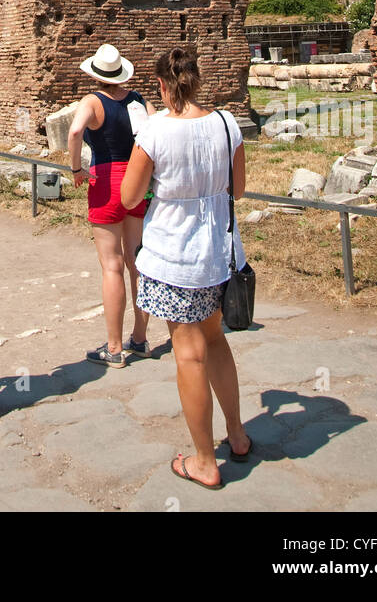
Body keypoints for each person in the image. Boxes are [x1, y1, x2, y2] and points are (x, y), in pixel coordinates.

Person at [120, 45, 251, 491]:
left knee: (189, 354)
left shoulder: (155, 132)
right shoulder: (227, 123)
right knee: (215, 342)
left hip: (176, 256)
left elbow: (129, 198)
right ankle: (236, 435)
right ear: (197, 80)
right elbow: (241, 187)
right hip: (221, 254)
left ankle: (204, 461)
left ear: (161, 85)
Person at [67, 44, 157, 368]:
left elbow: (76, 130)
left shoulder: (93, 101)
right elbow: (152, 133)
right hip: (136, 179)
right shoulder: (137, 100)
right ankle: (141, 338)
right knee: (137, 259)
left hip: (105, 179)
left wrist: (76, 168)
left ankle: (115, 348)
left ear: (95, 74)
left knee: (112, 265)